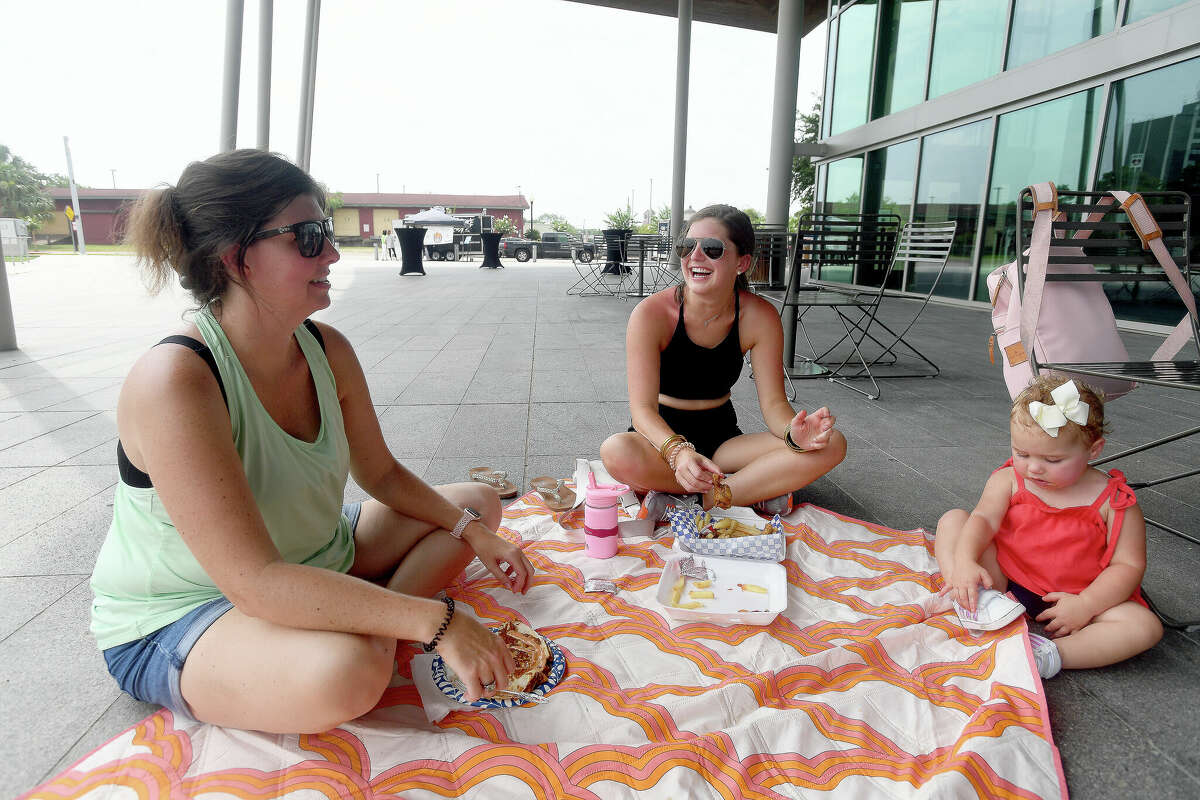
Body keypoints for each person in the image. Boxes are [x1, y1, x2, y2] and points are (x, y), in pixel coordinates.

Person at [89, 149, 533, 734]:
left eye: (325, 230)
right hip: (187, 610)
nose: (331, 250)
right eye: (307, 235)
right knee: (346, 676)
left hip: (314, 553)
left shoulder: (326, 348)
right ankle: (375, 625)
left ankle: (375, 620)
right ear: (236, 259)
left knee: (479, 503)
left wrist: (471, 532)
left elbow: (382, 475)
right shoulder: (178, 380)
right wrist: (439, 620)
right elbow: (255, 582)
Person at [600, 204, 846, 514]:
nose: (695, 257)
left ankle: (706, 496)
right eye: (687, 247)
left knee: (831, 443)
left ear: (742, 262)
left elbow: (774, 406)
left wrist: (792, 434)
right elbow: (642, 411)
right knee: (616, 451)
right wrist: (678, 453)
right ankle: (748, 488)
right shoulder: (651, 314)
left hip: (722, 439)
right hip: (660, 440)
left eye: (712, 249)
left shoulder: (759, 317)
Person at [935, 375, 1162, 679]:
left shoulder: (1115, 501)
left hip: (1077, 597)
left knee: (1143, 626)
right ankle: (975, 600)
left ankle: (1046, 655)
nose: (1034, 467)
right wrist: (964, 561)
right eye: (1022, 453)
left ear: (1093, 450)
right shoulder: (1009, 480)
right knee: (954, 520)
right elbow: (983, 520)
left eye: (1053, 459)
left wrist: (1087, 604)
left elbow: (1128, 565)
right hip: (1004, 579)